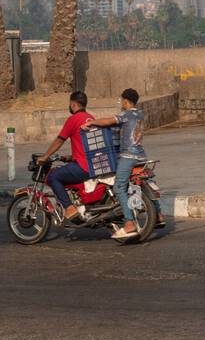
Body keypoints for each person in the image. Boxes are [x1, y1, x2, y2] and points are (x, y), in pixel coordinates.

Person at [85, 88, 165, 240]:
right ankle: (159, 214)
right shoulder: (139, 114)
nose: (121, 103)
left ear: (126, 101)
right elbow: (124, 129)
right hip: (141, 155)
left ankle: (129, 223)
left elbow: (109, 121)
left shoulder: (126, 114)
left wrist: (92, 122)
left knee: (119, 186)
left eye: (122, 101)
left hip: (128, 156)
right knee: (144, 183)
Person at [37, 91, 94, 222]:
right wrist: (69, 157)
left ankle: (69, 208)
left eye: (70, 104)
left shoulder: (73, 119)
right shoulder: (90, 117)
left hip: (83, 167)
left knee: (53, 176)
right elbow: (84, 145)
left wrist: (45, 156)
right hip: (92, 165)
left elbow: (59, 140)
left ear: (73, 104)